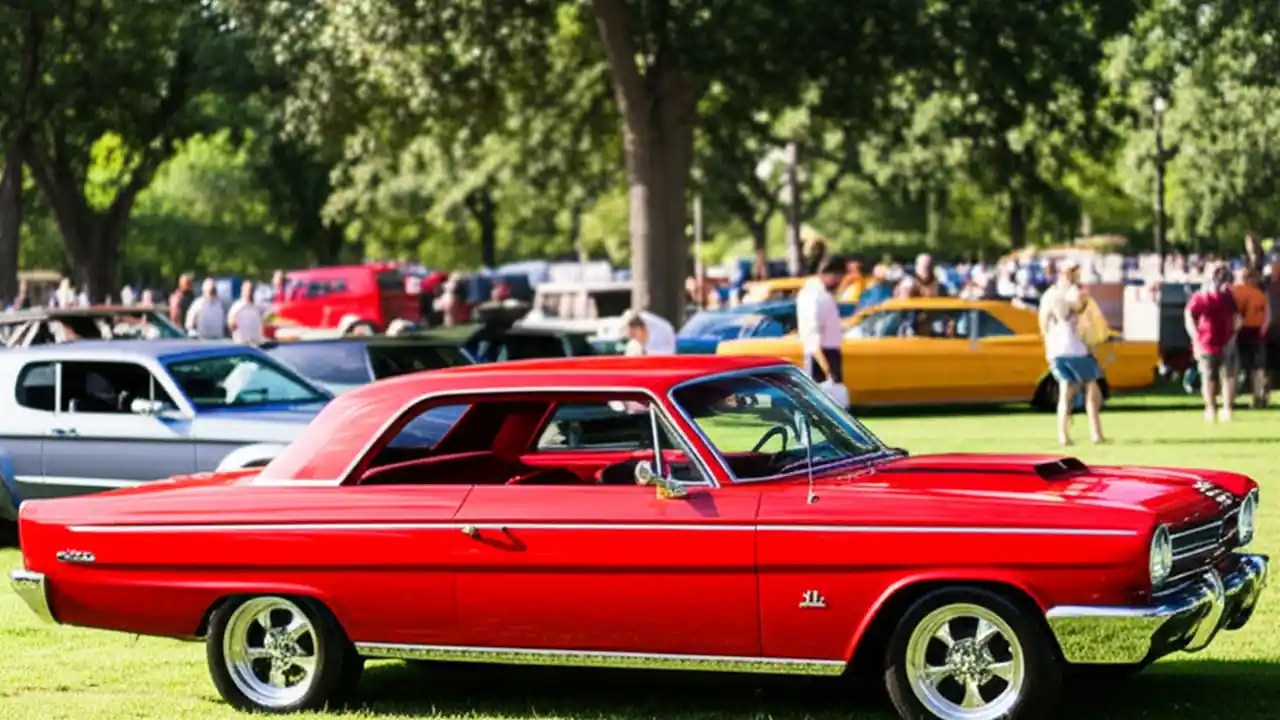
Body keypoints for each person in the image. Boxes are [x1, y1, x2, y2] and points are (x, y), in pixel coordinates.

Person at [1038, 260, 1105, 445]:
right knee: (1092, 389)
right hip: (1075, 348)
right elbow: (1078, 307)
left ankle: (1063, 435)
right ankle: (1095, 434)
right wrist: (1083, 299)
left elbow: (1043, 326)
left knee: (1066, 391)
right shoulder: (1072, 292)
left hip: (1056, 350)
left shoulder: (1048, 295)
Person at [1186, 263, 1242, 422]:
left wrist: (1233, 336)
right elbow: (1190, 316)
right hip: (1206, 343)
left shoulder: (1227, 296)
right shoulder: (1200, 297)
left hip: (1226, 341)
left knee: (1228, 376)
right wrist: (1195, 337)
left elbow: (1236, 317)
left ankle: (1227, 408)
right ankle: (1211, 408)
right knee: (1209, 377)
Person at [796, 257, 846, 386]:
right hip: (823, 356)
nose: (839, 282)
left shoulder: (813, 293)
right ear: (832, 274)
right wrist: (829, 372)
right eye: (839, 278)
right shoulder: (818, 297)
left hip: (822, 354)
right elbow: (813, 338)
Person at [1232, 267, 1269, 408]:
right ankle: (1257, 397)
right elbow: (1267, 315)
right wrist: (1263, 329)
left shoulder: (1234, 292)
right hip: (1256, 332)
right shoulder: (1260, 294)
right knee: (1258, 367)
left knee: (1234, 366)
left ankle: (1231, 397)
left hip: (1239, 332)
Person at [227, 280, 265, 344]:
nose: (249, 293)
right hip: (241, 344)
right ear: (243, 292)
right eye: (247, 290)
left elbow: (268, 314)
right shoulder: (237, 306)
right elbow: (230, 321)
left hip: (256, 343)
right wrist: (232, 323)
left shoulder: (258, 306)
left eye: (251, 290)